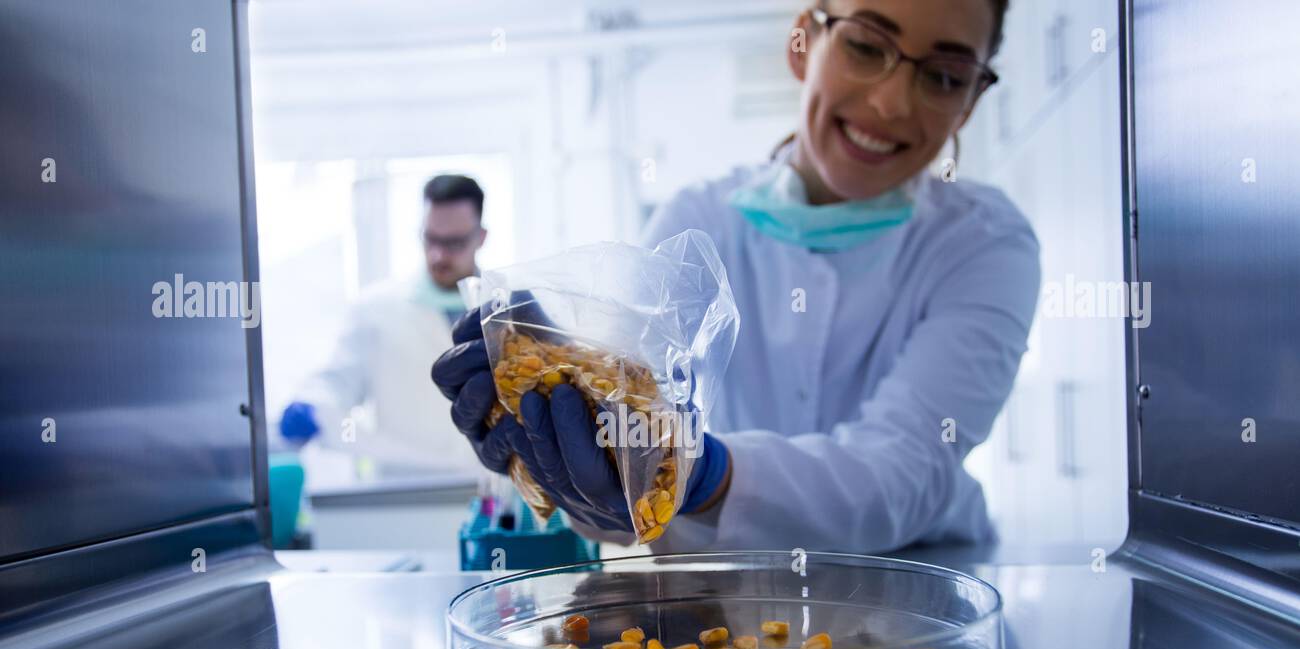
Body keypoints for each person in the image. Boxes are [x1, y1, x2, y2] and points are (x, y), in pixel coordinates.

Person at [434, 0, 1039, 552]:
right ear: (803, 42)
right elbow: (624, 482)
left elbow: (907, 466)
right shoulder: (696, 223)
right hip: (728, 598)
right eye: (865, 45)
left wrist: (709, 474)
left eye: (943, 76)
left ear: (972, 99)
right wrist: (565, 455)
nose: (891, 103)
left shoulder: (984, 243)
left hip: (927, 594)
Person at [280, 174, 488, 473]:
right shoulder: (376, 309)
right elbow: (338, 381)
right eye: (430, 239)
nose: (438, 254)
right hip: (401, 495)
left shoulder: (506, 310)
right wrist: (311, 404)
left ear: (480, 237)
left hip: (488, 489)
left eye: (454, 243)